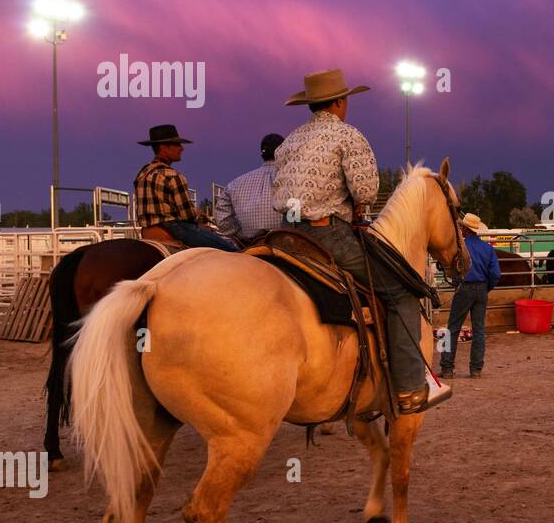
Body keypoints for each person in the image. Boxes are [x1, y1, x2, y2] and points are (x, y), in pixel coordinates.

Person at [273, 68, 430, 414]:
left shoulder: (288, 143)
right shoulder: (348, 137)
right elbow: (367, 192)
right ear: (341, 102)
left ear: (311, 105)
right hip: (326, 233)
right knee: (402, 291)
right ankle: (408, 387)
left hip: (285, 234)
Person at [133, 124, 240, 250]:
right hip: (174, 228)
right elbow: (187, 216)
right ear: (164, 148)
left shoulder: (141, 175)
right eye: (177, 144)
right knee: (232, 250)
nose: (181, 148)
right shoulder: (173, 175)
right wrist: (198, 217)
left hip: (148, 230)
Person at [438, 213, 500, 379]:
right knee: (479, 329)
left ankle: (447, 368)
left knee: (452, 328)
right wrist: (486, 288)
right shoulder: (488, 249)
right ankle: (476, 369)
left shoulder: (460, 248)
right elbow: (495, 274)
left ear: (465, 229)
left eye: (461, 227)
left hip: (464, 288)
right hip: (481, 289)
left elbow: (451, 269)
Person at [214, 133, 284, 246]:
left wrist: (239, 234)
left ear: (262, 154)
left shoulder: (234, 184)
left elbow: (222, 220)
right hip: (284, 244)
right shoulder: (292, 180)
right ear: (284, 151)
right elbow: (297, 214)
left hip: (250, 244)